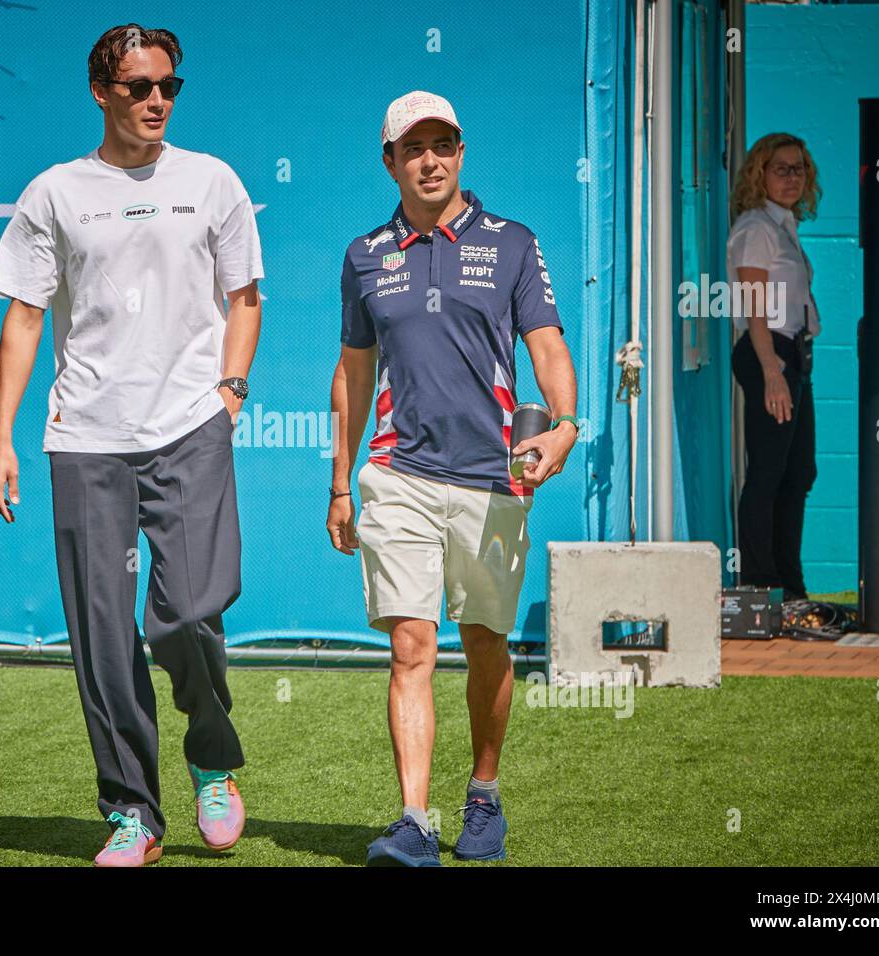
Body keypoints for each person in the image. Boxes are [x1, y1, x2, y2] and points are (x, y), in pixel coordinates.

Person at [0, 23, 264, 867]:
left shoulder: (212, 181)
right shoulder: (55, 193)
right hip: (85, 439)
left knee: (187, 614)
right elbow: (25, 316)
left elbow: (245, 297)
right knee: (103, 635)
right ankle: (133, 813)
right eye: (139, 87)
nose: (156, 101)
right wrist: (2, 436)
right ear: (101, 91)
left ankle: (211, 756)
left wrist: (230, 393)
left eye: (168, 86)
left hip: (190, 427)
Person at [327, 91, 579, 866]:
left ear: (461, 152)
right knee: (411, 644)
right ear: (390, 161)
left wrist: (566, 424)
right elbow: (352, 373)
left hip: (491, 480)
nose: (430, 160)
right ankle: (412, 821)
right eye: (414, 148)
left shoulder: (512, 243)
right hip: (397, 473)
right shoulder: (366, 253)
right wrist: (341, 481)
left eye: (444, 145)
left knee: (485, 645)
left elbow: (546, 344)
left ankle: (484, 793)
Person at [727, 132, 822, 601]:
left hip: (793, 355)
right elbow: (753, 305)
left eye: (798, 168)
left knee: (798, 471)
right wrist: (771, 371)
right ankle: (761, 588)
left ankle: (790, 587)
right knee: (767, 471)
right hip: (770, 353)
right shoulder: (755, 226)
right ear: (758, 174)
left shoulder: (784, 225)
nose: (791, 177)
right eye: (780, 168)